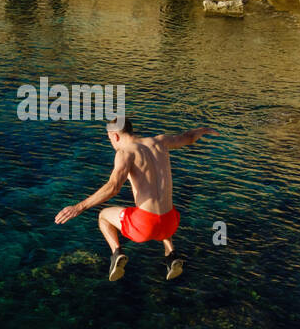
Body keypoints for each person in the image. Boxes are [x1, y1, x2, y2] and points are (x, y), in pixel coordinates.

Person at [54, 116, 218, 281]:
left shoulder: (125, 153)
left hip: (145, 225)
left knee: (103, 216)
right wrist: (203, 130)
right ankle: (171, 255)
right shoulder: (160, 141)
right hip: (171, 222)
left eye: (110, 138)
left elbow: (113, 187)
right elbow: (188, 138)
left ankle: (117, 253)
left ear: (115, 136)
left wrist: (79, 207)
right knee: (160, 210)